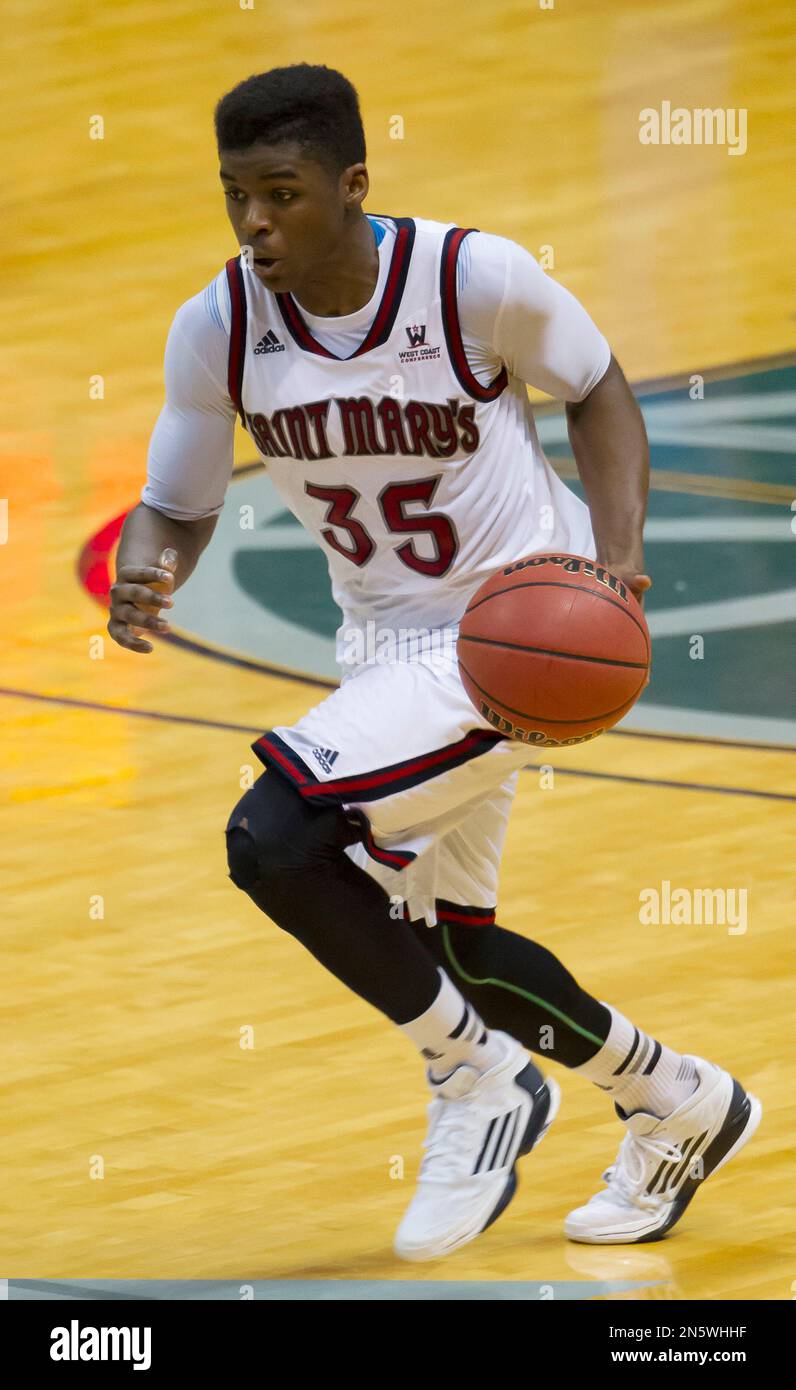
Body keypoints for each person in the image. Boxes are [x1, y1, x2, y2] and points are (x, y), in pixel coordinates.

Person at [109, 63, 761, 1261]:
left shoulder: (470, 279)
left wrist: (613, 566)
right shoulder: (218, 327)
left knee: (276, 836)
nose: (255, 222)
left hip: (524, 626)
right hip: (387, 643)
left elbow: (601, 387)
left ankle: (475, 1080)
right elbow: (175, 502)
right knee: (451, 947)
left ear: (352, 185)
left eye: (282, 193)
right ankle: (679, 1099)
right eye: (235, 195)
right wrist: (149, 565)